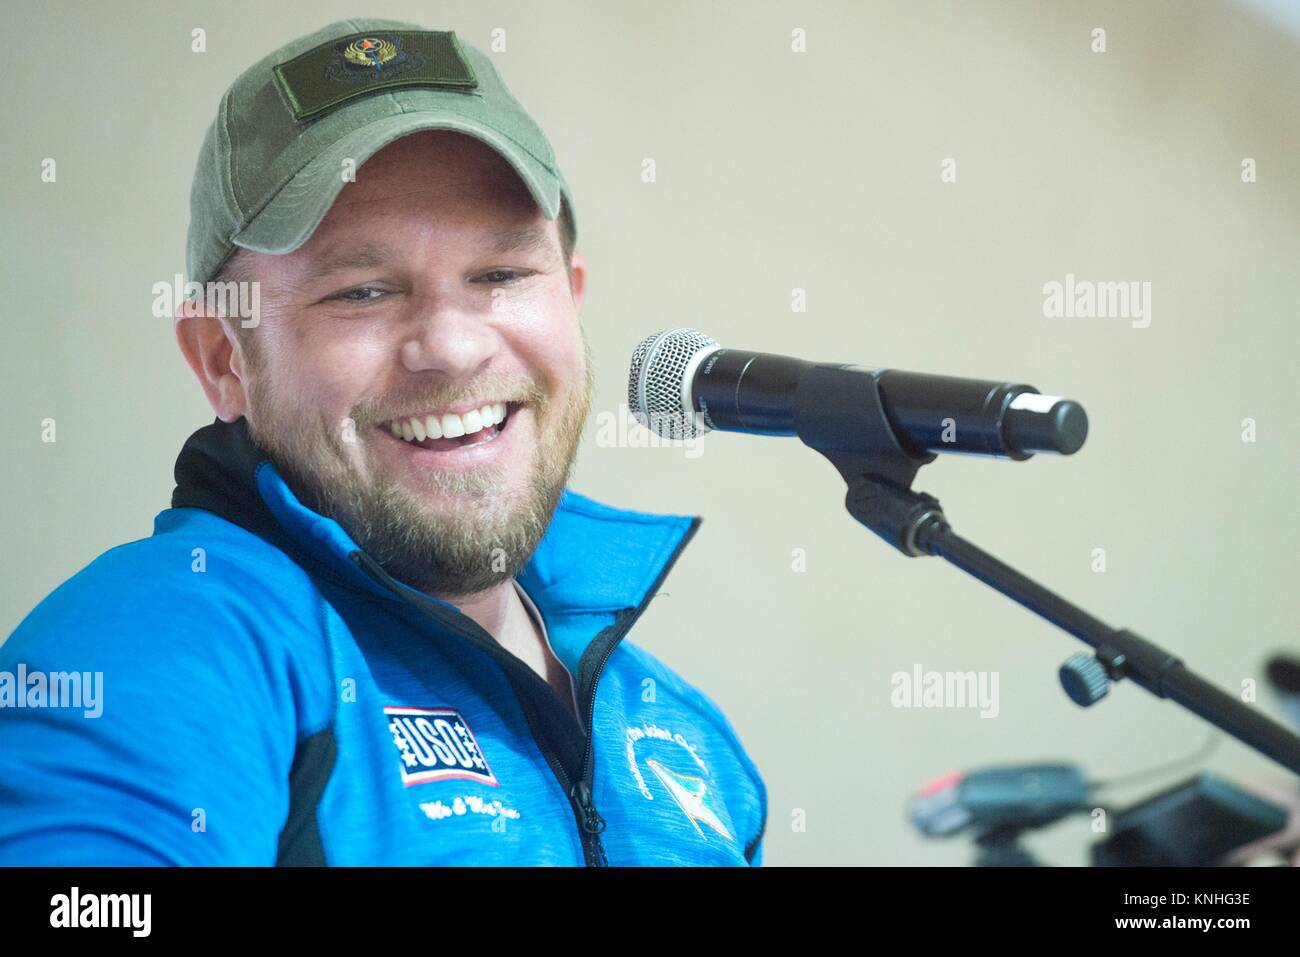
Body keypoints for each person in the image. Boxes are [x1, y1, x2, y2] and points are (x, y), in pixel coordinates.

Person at [0, 18, 766, 866]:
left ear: (571, 298)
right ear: (224, 359)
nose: (452, 345)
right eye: (361, 291)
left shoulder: (686, 738)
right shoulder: (170, 641)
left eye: (502, 275)